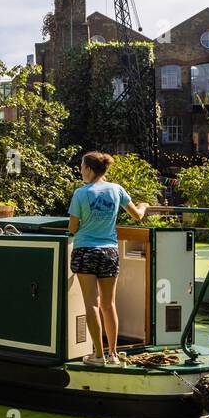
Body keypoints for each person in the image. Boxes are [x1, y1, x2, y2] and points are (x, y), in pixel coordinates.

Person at [68, 151, 150, 366]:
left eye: (81, 166)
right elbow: (137, 215)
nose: (80, 170)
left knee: (91, 304)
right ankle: (113, 355)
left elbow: (72, 228)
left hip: (85, 250)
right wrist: (144, 206)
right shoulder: (117, 190)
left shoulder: (80, 193)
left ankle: (98, 355)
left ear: (88, 169)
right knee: (108, 304)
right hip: (109, 252)